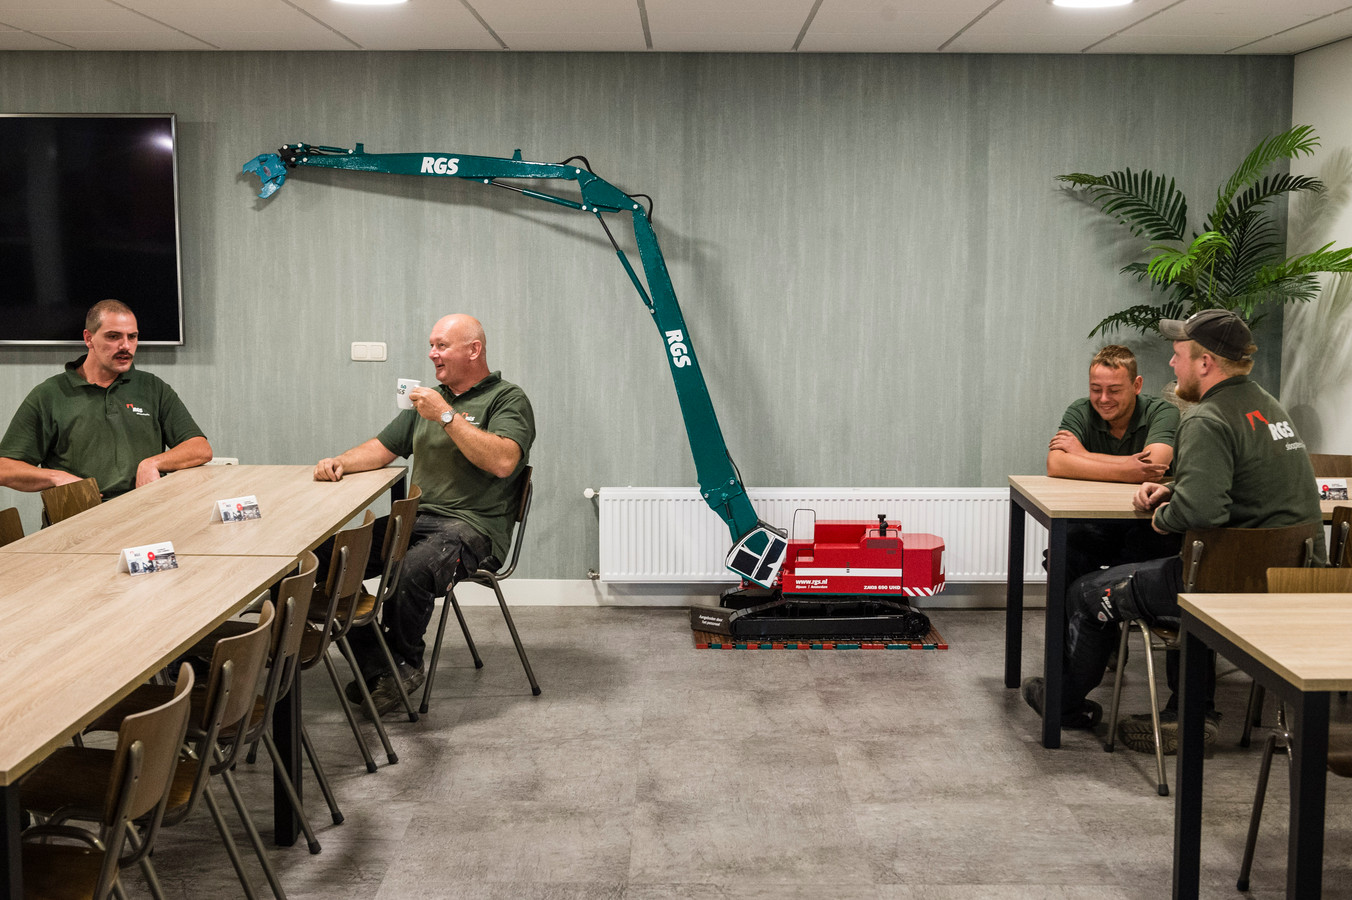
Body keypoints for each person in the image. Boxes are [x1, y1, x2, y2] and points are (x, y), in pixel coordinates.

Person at [1023, 309, 1326, 749]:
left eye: (1178, 353)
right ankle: (1189, 710)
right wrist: (1176, 492)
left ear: (1205, 363)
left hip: (1221, 581)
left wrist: (1166, 513)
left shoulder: (1207, 418)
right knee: (1168, 571)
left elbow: (1198, 513)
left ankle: (1064, 705)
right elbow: (1232, 492)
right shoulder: (1268, 406)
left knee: (1087, 593)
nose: (1172, 363)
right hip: (1286, 577)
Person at [314, 314, 535, 713]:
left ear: (474, 350)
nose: (432, 354)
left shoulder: (506, 398)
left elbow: (503, 462)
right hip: (416, 521)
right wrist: (341, 461)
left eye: (441, 345)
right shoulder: (428, 401)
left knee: (413, 569)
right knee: (321, 563)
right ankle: (384, 665)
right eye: (431, 345)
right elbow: (382, 449)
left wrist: (447, 417)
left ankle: (401, 664)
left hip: (474, 528)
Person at [0, 300, 212, 498]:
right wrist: (56, 477)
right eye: (113, 336)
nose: (126, 346)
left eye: (132, 336)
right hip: (78, 520)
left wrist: (153, 463)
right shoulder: (49, 394)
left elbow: (200, 448)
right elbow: (5, 468)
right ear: (88, 338)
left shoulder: (153, 387)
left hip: (145, 513)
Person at [1047, 344, 1182, 584]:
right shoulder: (1080, 410)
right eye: (1095, 389)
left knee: (1158, 552)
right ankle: (1076, 621)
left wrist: (1081, 454)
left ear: (1136, 385)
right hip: (1095, 519)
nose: (1103, 399)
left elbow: (1152, 467)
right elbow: (1056, 463)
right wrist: (1128, 468)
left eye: (1114, 390)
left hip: (1148, 522)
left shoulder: (1163, 411)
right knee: (1064, 551)